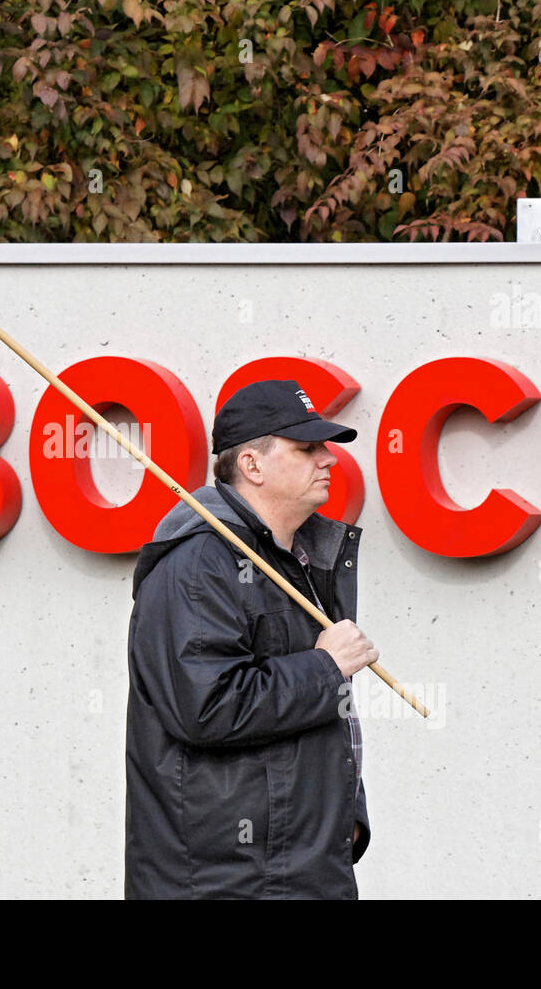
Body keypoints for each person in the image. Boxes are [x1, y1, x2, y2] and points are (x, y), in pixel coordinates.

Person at [124, 378, 379, 899]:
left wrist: (346, 818)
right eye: (306, 448)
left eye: (325, 446)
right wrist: (325, 668)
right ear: (252, 466)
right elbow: (207, 706)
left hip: (301, 869)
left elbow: (320, 719)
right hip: (226, 881)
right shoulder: (199, 563)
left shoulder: (300, 561)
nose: (327, 459)